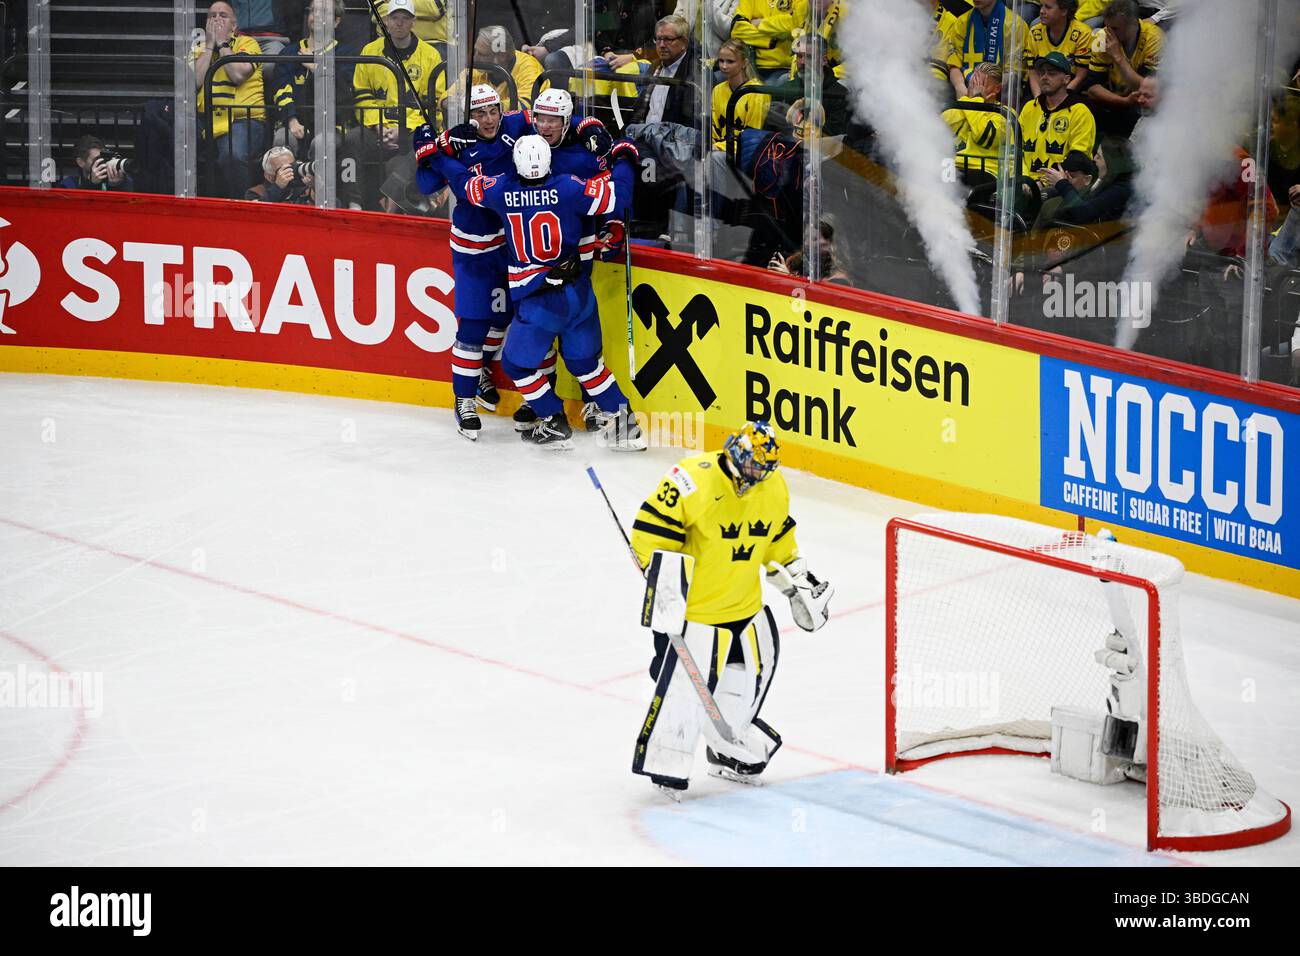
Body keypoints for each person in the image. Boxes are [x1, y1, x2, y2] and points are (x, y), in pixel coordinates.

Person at [629, 421, 833, 796]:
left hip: (745, 608)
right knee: (682, 693)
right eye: (754, 466)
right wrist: (661, 579)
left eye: (765, 469)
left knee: (745, 685)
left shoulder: (773, 487)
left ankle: (727, 751)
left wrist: (797, 577)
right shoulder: (690, 481)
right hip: (695, 615)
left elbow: (776, 540)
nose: (759, 475)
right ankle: (667, 763)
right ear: (737, 455)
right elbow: (650, 535)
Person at [413, 86, 617, 439]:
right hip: (476, 249)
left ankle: (538, 403)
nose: (489, 119)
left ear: (502, 109)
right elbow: (426, 181)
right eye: (479, 113)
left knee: (528, 322)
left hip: (515, 250)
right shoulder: (458, 143)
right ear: (467, 115)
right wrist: (437, 141)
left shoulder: (518, 124)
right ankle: (464, 399)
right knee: (475, 326)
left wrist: (590, 126)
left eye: (493, 110)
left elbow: (557, 117)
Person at [428, 135, 647, 450]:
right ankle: (626, 427)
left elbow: (463, 184)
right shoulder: (569, 188)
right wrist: (625, 158)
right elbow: (619, 197)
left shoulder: (502, 190)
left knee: (517, 365)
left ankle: (553, 419)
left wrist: (438, 156)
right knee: (587, 366)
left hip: (539, 301)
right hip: (579, 294)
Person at [531, 88, 639, 433]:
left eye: (554, 120)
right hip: (533, 257)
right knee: (541, 334)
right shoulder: (524, 143)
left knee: (581, 334)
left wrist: (615, 222)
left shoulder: (585, 156)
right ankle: (542, 404)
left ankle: (593, 402)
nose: (544, 126)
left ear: (566, 122)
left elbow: (613, 194)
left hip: (577, 253)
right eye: (540, 118)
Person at [345, 0, 440, 210]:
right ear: (386, 21)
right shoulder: (369, 51)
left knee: (419, 146)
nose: (399, 23)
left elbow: (432, 107)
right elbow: (361, 97)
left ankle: (394, 208)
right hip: (376, 127)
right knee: (351, 139)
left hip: (410, 130)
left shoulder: (430, 55)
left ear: (413, 22)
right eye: (394, 18)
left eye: (405, 18)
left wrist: (403, 129)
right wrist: (378, 125)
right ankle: (353, 204)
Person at [190, 1, 266, 199]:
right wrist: (208, 46)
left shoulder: (248, 43)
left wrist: (222, 44)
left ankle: (242, 203)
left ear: (234, 25)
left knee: (232, 155)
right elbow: (195, 81)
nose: (216, 19)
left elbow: (238, 74)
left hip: (243, 119)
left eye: (223, 16)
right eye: (211, 16)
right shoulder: (199, 47)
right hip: (206, 118)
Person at [1085, 0, 1163, 140]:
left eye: (1115, 29)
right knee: (1083, 107)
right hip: (1116, 99)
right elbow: (1092, 88)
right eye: (1107, 27)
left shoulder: (1154, 38)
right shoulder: (1102, 37)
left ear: (1133, 24)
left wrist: (1118, 57)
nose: (1109, 34)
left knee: (1141, 112)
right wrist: (1123, 101)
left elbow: (1146, 89)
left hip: (1142, 103)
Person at [1019, 51, 1096, 184]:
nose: (1044, 77)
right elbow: (1014, 147)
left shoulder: (1080, 112)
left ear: (1066, 79)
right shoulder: (1029, 107)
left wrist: (1042, 183)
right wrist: (1024, 180)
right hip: (1024, 182)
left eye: (1052, 73)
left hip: (1059, 185)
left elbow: (1077, 158)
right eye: (1042, 72)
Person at [943, 0, 1030, 100]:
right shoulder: (962, 22)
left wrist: (987, 88)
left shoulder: (1016, 25)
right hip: (967, 86)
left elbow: (1013, 73)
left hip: (998, 91)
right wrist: (960, 87)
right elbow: (954, 63)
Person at [712, 39, 770, 152]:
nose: (724, 66)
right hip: (719, 148)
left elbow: (753, 135)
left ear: (744, 63)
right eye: (721, 61)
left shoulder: (757, 92)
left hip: (745, 152)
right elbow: (714, 129)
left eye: (730, 61)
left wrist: (719, 147)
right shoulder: (718, 90)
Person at [1024, 0, 1092, 95]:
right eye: (1041, 6)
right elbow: (1033, 72)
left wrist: (1060, 99)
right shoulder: (1035, 32)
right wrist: (1038, 99)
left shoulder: (1083, 33)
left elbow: (1080, 76)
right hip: (1042, 83)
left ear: (1064, 11)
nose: (1041, 11)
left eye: (1048, 7)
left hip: (1069, 88)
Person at [56, 135, 135, 192]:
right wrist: (91, 184)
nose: (102, 163)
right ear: (80, 162)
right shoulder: (68, 185)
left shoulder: (120, 178)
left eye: (103, 158)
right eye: (96, 159)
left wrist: (118, 185)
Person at [245, 145, 314, 202]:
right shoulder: (255, 193)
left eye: (292, 166)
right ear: (268, 176)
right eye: (284, 169)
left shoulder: (303, 187)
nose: (291, 170)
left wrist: (315, 187)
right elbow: (258, 213)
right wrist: (277, 187)